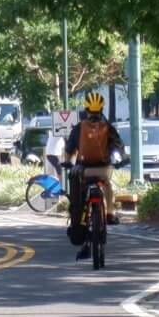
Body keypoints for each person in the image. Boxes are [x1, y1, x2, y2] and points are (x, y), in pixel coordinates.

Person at [65, 91, 127, 250]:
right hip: (103, 169)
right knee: (107, 185)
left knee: (80, 191)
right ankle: (110, 213)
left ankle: (80, 218)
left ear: (86, 110)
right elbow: (118, 147)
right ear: (101, 110)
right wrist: (120, 158)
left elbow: (70, 149)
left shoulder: (79, 128)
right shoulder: (108, 128)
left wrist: (68, 163)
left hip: (84, 170)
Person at [43, 113, 69, 184]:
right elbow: (66, 139)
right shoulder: (58, 131)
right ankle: (60, 187)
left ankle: (55, 187)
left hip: (50, 154)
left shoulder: (54, 131)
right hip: (52, 154)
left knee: (54, 172)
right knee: (59, 170)